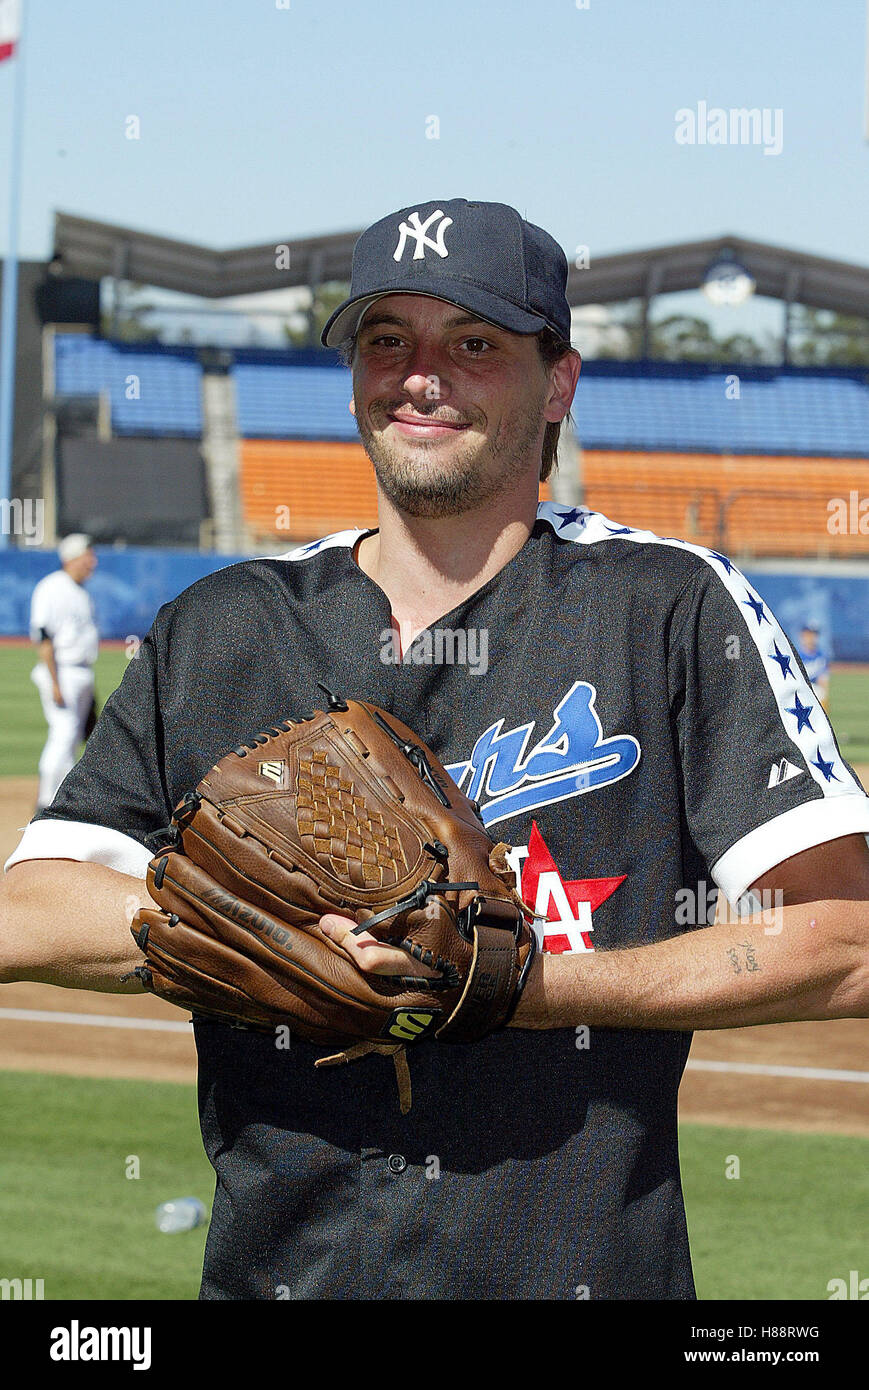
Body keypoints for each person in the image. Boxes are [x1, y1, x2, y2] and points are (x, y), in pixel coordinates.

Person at [2, 198, 868, 1302]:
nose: (421, 375)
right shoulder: (224, 624)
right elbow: (28, 907)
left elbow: (845, 937)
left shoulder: (668, 608)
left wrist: (529, 986)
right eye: (385, 340)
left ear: (555, 382)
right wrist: (258, 935)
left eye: (473, 344)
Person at [28, 533, 99, 811]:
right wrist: (55, 682)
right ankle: (46, 801)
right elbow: (44, 638)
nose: (92, 562)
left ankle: (62, 799)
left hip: (80, 673)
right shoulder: (52, 588)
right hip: (61, 672)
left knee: (70, 739)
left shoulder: (81, 592)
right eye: (88, 556)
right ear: (71, 558)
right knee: (63, 734)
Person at [795, 623, 830, 710]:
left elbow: (823, 680)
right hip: (798, 689)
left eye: (814, 635)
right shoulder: (795, 655)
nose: (811, 638)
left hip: (814, 689)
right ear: (802, 636)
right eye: (808, 635)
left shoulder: (820, 656)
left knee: (820, 692)